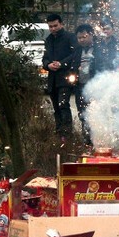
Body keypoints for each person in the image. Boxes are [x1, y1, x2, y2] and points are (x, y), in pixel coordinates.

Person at [42, 13, 81, 141]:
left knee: (63, 104)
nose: (53, 28)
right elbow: (45, 57)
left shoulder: (70, 37)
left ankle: (67, 133)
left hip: (65, 77)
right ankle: (59, 132)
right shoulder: (48, 40)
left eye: (55, 26)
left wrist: (62, 63)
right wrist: (48, 65)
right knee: (56, 107)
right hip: (52, 78)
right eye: (50, 26)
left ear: (61, 24)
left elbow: (75, 54)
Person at [73, 24, 97, 146]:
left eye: (84, 37)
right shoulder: (77, 50)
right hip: (80, 86)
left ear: (91, 34)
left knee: (96, 112)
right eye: (79, 38)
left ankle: (98, 138)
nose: (81, 40)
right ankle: (87, 140)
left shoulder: (99, 48)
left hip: (95, 87)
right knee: (82, 112)